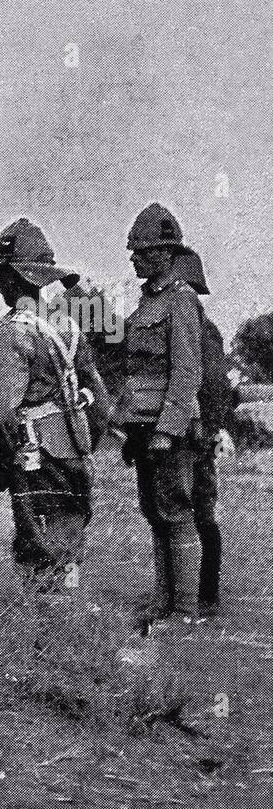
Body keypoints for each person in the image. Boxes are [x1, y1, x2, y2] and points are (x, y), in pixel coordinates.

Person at [0, 218, 108, 595]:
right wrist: (87, 440)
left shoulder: (11, 331)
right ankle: (68, 623)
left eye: (4, 275)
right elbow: (98, 399)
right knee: (67, 548)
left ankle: (49, 641)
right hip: (74, 450)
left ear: (21, 278)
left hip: (34, 456)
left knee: (37, 551)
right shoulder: (67, 325)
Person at [113, 204, 207, 632]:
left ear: (165, 254)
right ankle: (164, 602)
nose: (134, 257)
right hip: (143, 424)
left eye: (142, 251)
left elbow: (187, 371)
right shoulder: (148, 301)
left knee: (176, 512)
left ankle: (185, 611)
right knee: (155, 512)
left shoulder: (182, 300)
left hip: (168, 429)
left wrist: (168, 430)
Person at [173, 250, 237, 614]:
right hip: (192, 430)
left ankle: (207, 594)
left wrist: (212, 428)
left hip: (197, 435)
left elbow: (213, 385)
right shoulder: (198, 324)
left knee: (200, 514)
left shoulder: (202, 329)